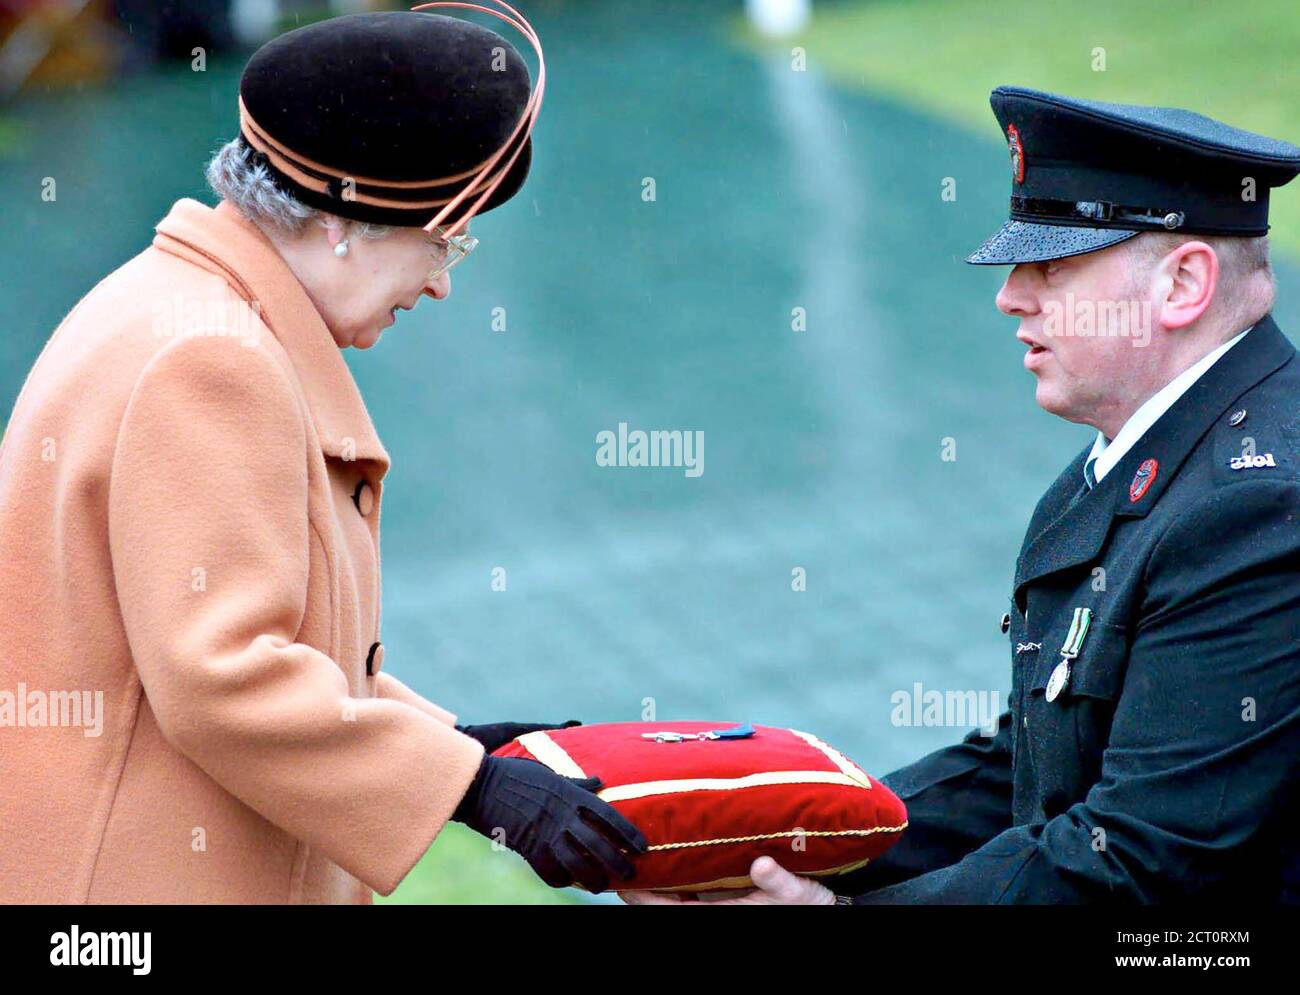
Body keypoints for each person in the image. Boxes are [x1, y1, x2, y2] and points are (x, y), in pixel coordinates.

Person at [0, 6, 645, 904]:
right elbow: (224, 675)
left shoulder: (171, 300)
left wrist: (467, 743)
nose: (444, 279)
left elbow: (244, 647)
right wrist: (470, 788)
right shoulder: (213, 358)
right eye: (445, 236)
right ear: (346, 220)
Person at [626, 86, 1300, 905]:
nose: (1011, 296)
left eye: (1052, 266)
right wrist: (787, 846)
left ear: (1181, 285)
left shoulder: (1257, 507)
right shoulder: (1137, 459)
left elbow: (1141, 858)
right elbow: (1027, 766)